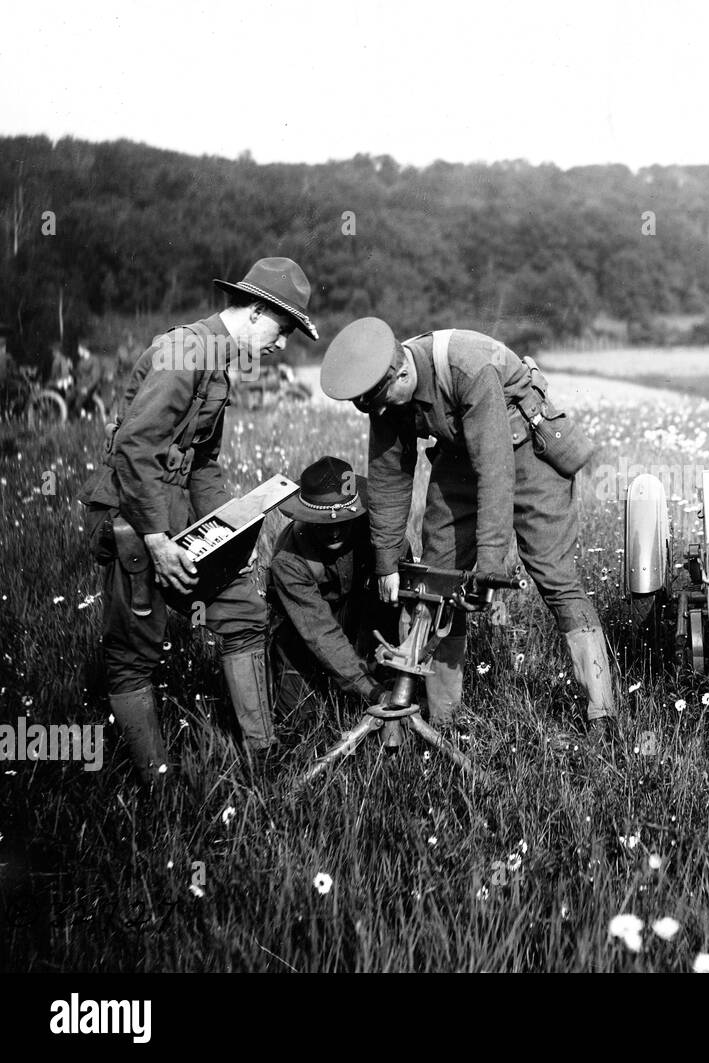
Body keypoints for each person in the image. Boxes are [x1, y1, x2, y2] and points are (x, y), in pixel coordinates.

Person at [78, 257, 318, 782]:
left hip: (178, 519)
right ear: (255, 312)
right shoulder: (184, 352)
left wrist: (232, 531)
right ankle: (157, 788)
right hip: (135, 522)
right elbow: (135, 450)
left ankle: (261, 759)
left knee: (244, 615)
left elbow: (202, 464)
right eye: (283, 328)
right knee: (134, 655)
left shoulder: (216, 362)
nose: (283, 344)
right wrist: (159, 541)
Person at [319, 318, 617, 738]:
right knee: (437, 581)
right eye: (373, 409)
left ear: (403, 371)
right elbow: (388, 477)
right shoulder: (384, 386)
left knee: (554, 576)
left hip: (525, 450)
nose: (382, 415)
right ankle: (445, 719)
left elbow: (495, 470)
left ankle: (601, 712)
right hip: (460, 454)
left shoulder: (468, 368)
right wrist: (386, 561)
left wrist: (491, 567)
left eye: (385, 404)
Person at [267, 456, 396, 721]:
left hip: (357, 622)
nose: (335, 532)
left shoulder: (371, 530)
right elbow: (320, 633)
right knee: (302, 720)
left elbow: (400, 561)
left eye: (342, 522)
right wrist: (372, 691)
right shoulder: (288, 562)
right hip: (302, 636)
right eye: (325, 523)